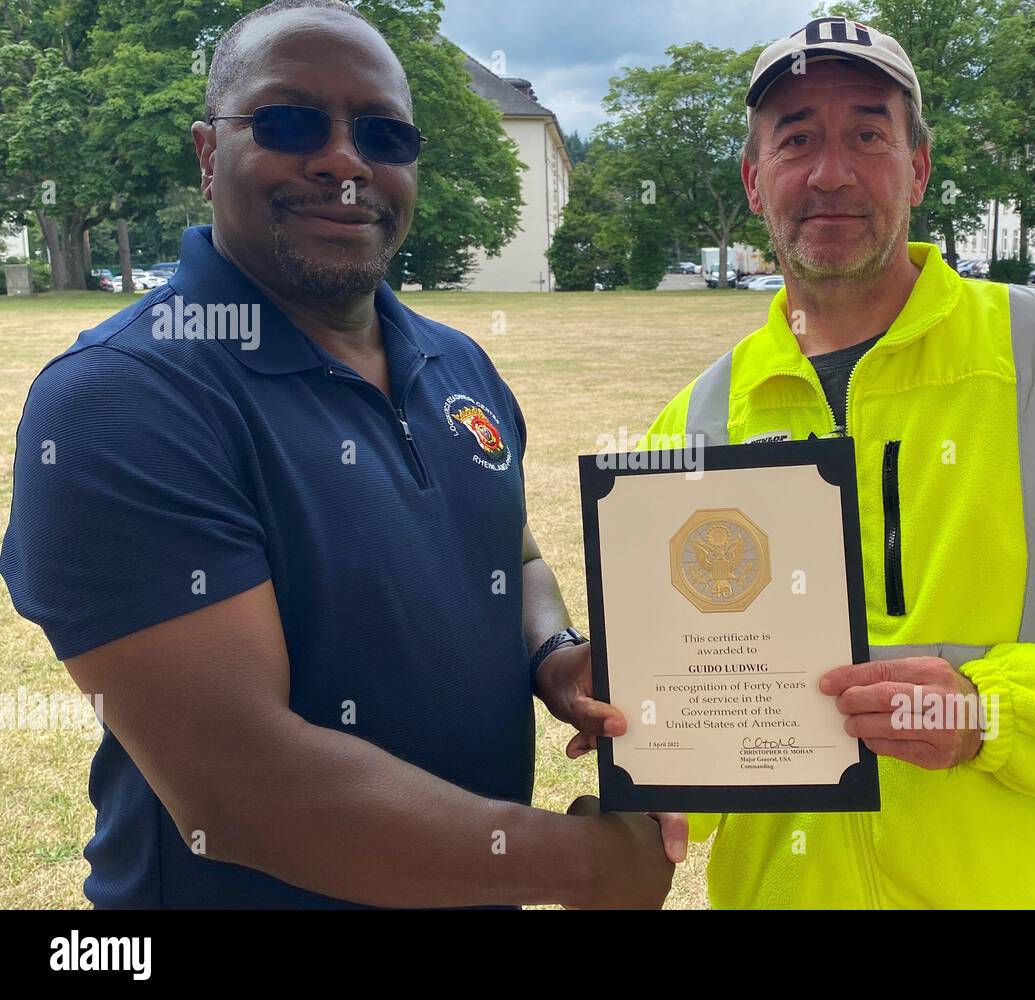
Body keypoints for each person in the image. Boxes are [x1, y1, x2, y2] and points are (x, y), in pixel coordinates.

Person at [0, 0, 682, 909]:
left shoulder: (456, 361)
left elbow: (510, 553)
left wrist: (556, 654)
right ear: (208, 154)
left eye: (383, 134)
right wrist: (576, 862)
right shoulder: (120, 400)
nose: (344, 160)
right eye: (289, 122)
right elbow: (242, 788)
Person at [636, 16, 1035, 908]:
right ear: (753, 178)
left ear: (918, 169)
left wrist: (989, 710)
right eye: (797, 138)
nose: (832, 172)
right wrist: (647, 767)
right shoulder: (691, 424)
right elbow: (696, 721)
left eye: (868, 134)